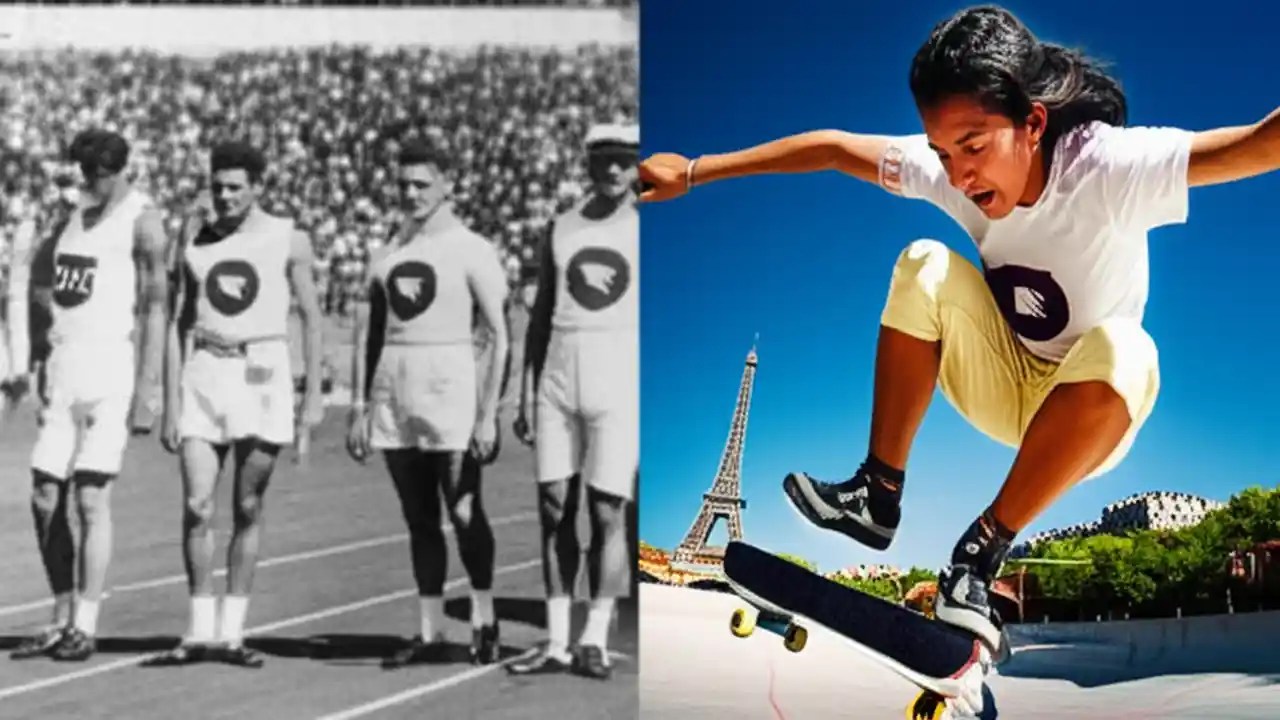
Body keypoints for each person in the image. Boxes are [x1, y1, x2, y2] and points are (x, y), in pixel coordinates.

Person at [638, 4, 1280, 656]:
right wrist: (693, 172)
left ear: (1032, 124)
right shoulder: (949, 171)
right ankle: (876, 492)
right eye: (944, 153)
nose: (960, 175)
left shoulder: (1109, 167)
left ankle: (978, 556)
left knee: (1129, 348)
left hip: (1087, 415)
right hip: (1002, 385)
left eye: (973, 147)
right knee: (924, 264)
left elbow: (1261, 142)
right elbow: (832, 148)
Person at [149, 141, 324, 667]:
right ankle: (199, 629)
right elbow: (179, 321)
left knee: (247, 505)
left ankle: (232, 632)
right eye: (217, 186)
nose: (224, 196)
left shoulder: (287, 238)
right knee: (197, 505)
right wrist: (171, 402)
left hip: (262, 373)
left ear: (257, 187)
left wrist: (311, 394)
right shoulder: (195, 241)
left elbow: (312, 318)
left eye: (235, 187)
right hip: (205, 370)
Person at [346, 141, 509, 667]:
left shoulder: (471, 248)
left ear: (447, 187)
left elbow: (501, 335)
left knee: (463, 512)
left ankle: (484, 618)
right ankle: (431, 630)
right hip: (397, 394)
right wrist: (360, 406)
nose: (411, 193)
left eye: (422, 184)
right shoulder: (388, 253)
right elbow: (370, 336)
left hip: (452, 394)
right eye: (404, 185)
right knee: (418, 519)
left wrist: (488, 413)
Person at [9, 128, 168, 662]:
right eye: (84, 173)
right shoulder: (74, 215)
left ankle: (87, 621)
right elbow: (40, 285)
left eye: (98, 174)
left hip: (110, 371)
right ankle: (59, 615)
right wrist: (37, 358)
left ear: (121, 170)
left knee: (90, 497)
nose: (89, 182)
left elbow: (155, 307)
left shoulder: (143, 222)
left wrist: (149, 389)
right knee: (44, 495)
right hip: (64, 369)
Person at [507, 122, 639, 679]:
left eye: (624, 159)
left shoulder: (645, 227)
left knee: (607, 510)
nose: (613, 169)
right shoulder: (560, 227)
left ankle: (594, 637)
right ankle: (557, 640)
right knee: (552, 508)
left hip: (621, 377)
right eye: (603, 159)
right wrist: (523, 392)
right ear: (587, 162)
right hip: (558, 378)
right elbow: (539, 318)